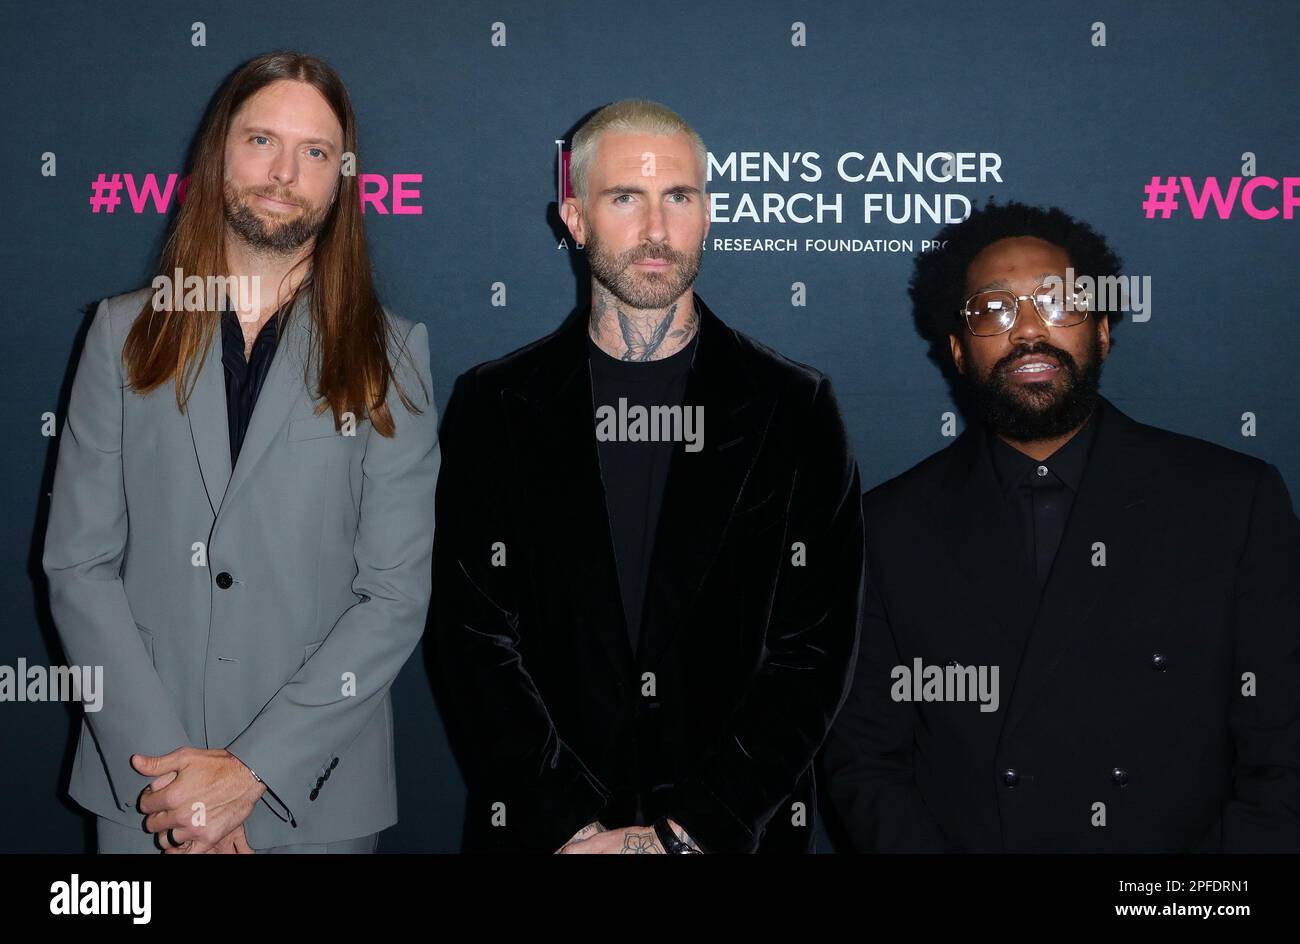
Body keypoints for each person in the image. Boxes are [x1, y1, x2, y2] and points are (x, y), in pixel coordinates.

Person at [433, 99, 864, 853]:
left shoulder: (794, 407)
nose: (657, 230)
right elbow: (471, 638)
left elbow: (814, 653)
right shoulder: (495, 403)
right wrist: (570, 823)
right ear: (574, 217)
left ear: (707, 214)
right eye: (625, 198)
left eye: (680, 197)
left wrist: (686, 833)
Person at [43, 51, 439, 853]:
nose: (285, 171)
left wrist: (249, 771)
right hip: (143, 794)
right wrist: (177, 785)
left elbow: (394, 596)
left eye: (316, 152)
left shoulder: (391, 354)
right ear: (220, 151)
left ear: (341, 178)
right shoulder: (122, 335)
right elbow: (78, 566)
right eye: (262, 140)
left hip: (312, 799)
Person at [823, 200, 1300, 852]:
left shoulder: (1233, 501)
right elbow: (864, 762)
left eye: (1058, 302)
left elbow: (1285, 749)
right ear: (958, 350)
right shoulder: (887, 528)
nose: (1027, 332)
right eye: (993, 310)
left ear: (1103, 330)